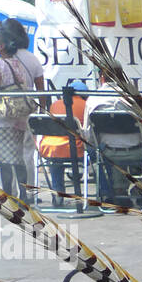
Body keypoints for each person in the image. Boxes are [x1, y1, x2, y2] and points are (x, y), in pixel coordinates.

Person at [0, 25, 35, 198]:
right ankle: (24, 195)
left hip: (1, 120)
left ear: (1, 46)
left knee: (4, 161)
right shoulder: (16, 63)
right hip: (18, 117)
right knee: (17, 159)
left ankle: (8, 196)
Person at [84, 71, 142, 207]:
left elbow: (88, 134)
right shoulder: (133, 96)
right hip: (137, 151)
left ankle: (118, 191)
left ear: (102, 78)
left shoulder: (93, 98)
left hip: (109, 152)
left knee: (106, 151)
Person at [37, 78, 87, 207]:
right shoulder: (85, 105)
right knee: (96, 154)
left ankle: (58, 194)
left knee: (56, 159)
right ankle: (104, 193)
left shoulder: (55, 105)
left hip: (49, 148)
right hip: (74, 149)